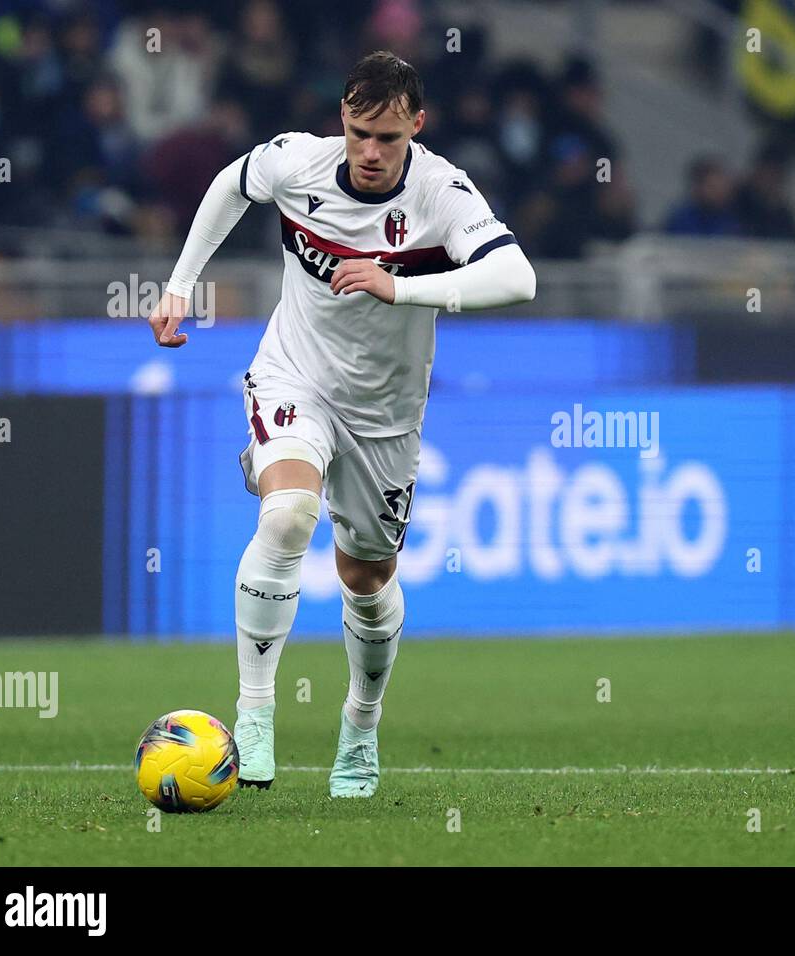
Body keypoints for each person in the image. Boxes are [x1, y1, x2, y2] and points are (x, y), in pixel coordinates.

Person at [146, 51, 536, 798]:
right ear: (343, 122)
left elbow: (518, 278)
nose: (370, 152)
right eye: (359, 132)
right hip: (296, 374)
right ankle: (253, 717)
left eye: (388, 137)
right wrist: (179, 286)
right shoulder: (300, 162)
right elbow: (232, 184)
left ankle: (360, 727)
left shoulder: (444, 192)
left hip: (386, 414)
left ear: (416, 126)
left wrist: (404, 286)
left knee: (366, 577)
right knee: (289, 514)